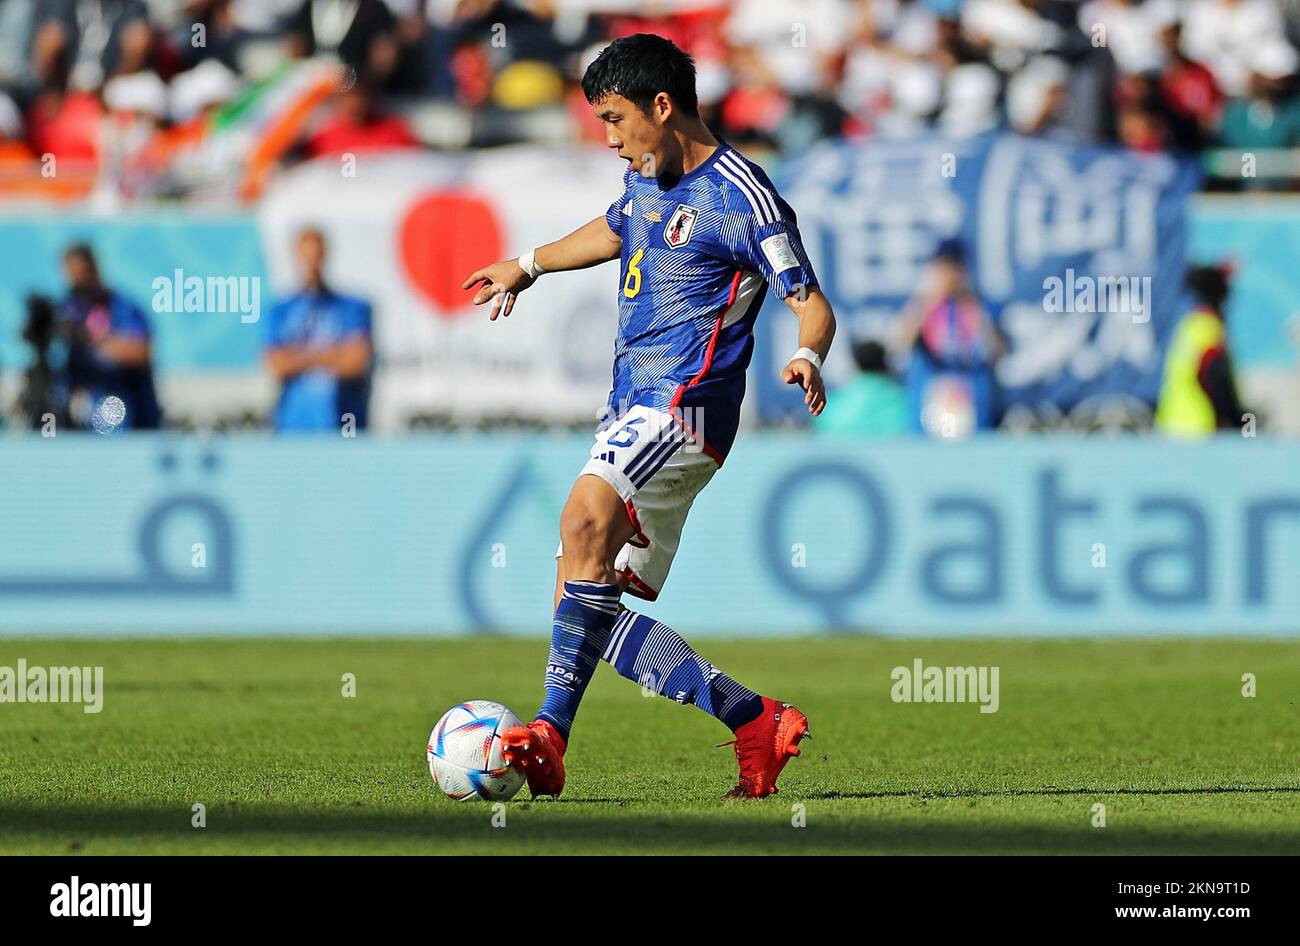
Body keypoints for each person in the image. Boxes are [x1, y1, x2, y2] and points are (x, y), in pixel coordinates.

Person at [461, 34, 835, 799]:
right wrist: (527, 265)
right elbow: (612, 229)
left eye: (614, 118)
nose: (608, 138)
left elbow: (811, 301)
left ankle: (552, 736)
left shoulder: (742, 194)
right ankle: (755, 719)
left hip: (687, 407)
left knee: (581, 517)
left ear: (662, 107)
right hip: (631, 408)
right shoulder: (644, 181)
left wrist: (809, 355)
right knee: (578, 599)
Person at [264, 227, 373, 432]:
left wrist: (299, 356)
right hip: (294, 425)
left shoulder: (352, 307)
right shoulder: (281, 310)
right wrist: (331, 354)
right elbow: (277, 364)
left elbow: (355, 362)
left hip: (346, 423)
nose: (311, 263)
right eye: (306, 256)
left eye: (316, 255)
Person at [891, 238, 1002, 437]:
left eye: (955, 268)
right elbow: (899, 345)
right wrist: (929, 299)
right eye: (944, 267)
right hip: (926, 419)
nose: (950, 275)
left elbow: (996, 350)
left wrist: (969, 303)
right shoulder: (921, 306)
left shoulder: (978, 307)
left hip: (973, 417)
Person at [56, 242, 161, 430]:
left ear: (94, 271)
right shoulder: (68, 310)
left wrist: (90, 340)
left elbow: (140, 352)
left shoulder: (122, 309)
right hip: (83, 410)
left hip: (124, 409)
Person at [1154, 263, 1245, 436]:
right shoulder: (1209, 329)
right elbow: (1217, 379)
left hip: (1171, 427)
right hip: (1199, 431)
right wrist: (1240, 419)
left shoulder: (1190, 324)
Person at [814, 339, 909, 437]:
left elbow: (821, 423)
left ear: (857, 363)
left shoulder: (838, 400)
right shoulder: (901, 397)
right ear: (884, 363)